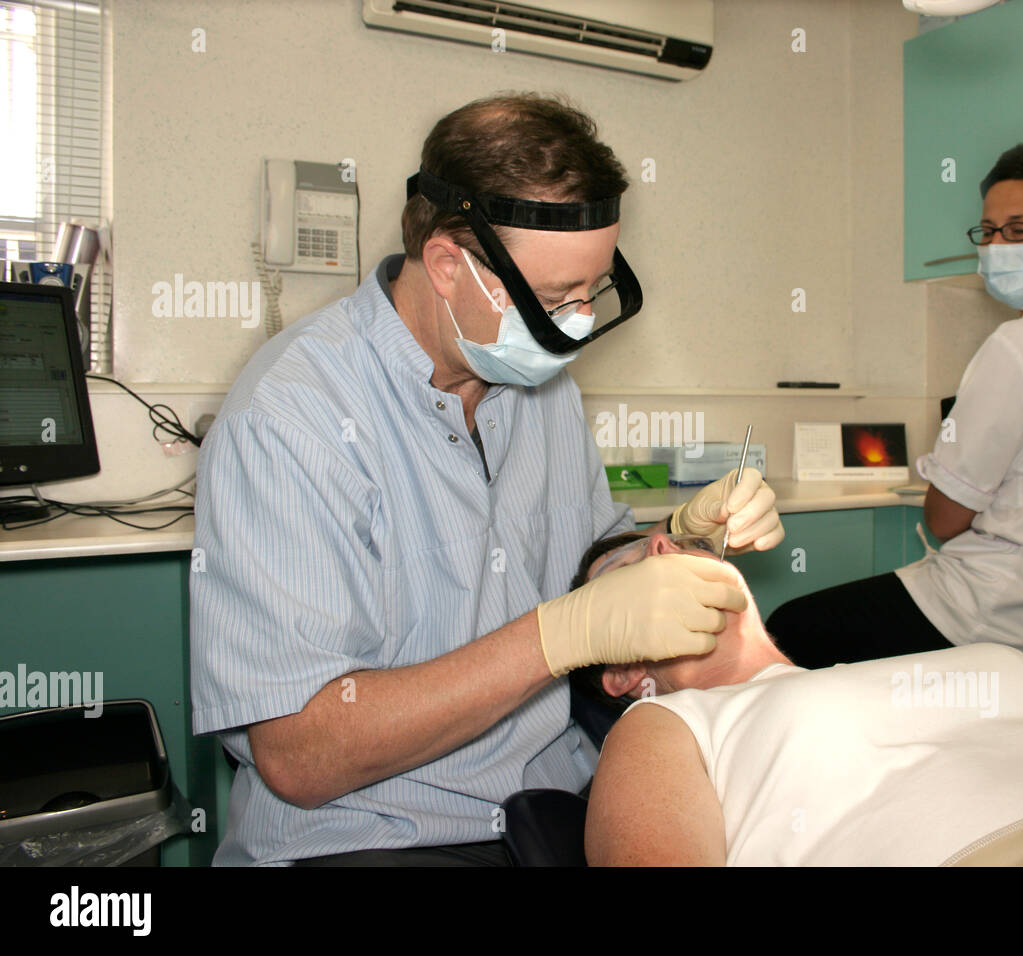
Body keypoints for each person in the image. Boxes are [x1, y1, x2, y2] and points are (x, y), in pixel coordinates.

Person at [189, 93, 784, 866]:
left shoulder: (542, 389)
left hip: (549, 801)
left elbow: (583, 563)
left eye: (590, 292)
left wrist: (666, 545)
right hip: (375, 833)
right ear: (446, 263)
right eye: (549, 299)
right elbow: (303, 756)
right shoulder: (291, 419)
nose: (574, 325)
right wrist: (563, 634)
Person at [576, 532, 1023, 866]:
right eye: (627, 567)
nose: (664, 550)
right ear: (618, 672)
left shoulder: (907, 669)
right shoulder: (666, 722)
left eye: (665, 537)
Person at [765, 142, 1023, 712]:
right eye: (989, 231)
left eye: (1020, 230)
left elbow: (945, 519)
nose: (998, 247)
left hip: (1007, 627)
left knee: (790, 629)